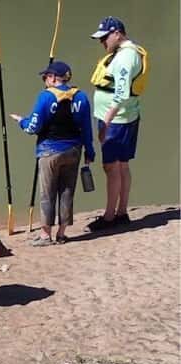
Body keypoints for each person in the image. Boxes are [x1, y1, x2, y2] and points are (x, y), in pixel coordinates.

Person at [10, 61, 95, 245]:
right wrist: (90, 151)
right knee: (67, 191)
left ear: (54, 77)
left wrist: (21, 121)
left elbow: (33, 127)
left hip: (49, 151)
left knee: (47, 193)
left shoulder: (45, 97)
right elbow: (86, 128)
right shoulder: (81, 97)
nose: (44, 80)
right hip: (74, 150)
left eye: (46, 76)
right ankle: (62, 233)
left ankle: (45, 235)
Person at [87, 16, 149, 231]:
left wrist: (105, 122)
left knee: (111, 167)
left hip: (117, 120)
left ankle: (110, 216)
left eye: (105, 37)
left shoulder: (124, 58)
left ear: (117, 33)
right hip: (126, 116)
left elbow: (121, 93)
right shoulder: (128, 52)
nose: (102, 42)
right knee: (122, 165)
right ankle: (121, 212)